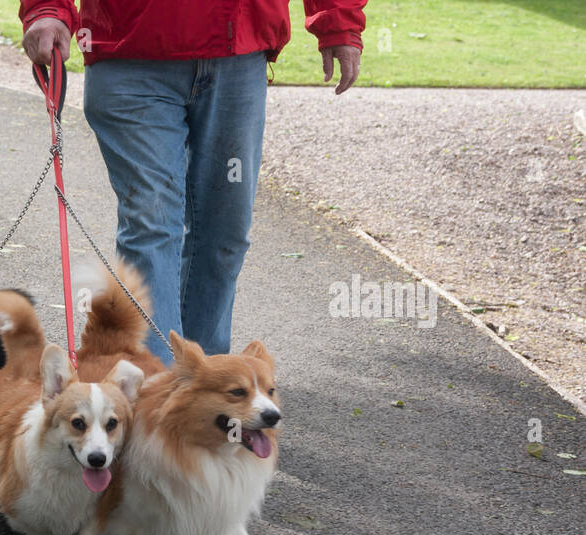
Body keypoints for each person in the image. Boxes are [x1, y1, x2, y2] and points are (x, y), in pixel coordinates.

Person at [19, 1, 366, 364]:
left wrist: (337, 20)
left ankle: (204, 379)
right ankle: (158, 385)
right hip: (129, 52)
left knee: (224, 231)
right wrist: (46, 8)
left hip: (238, 53)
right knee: (151, 223)